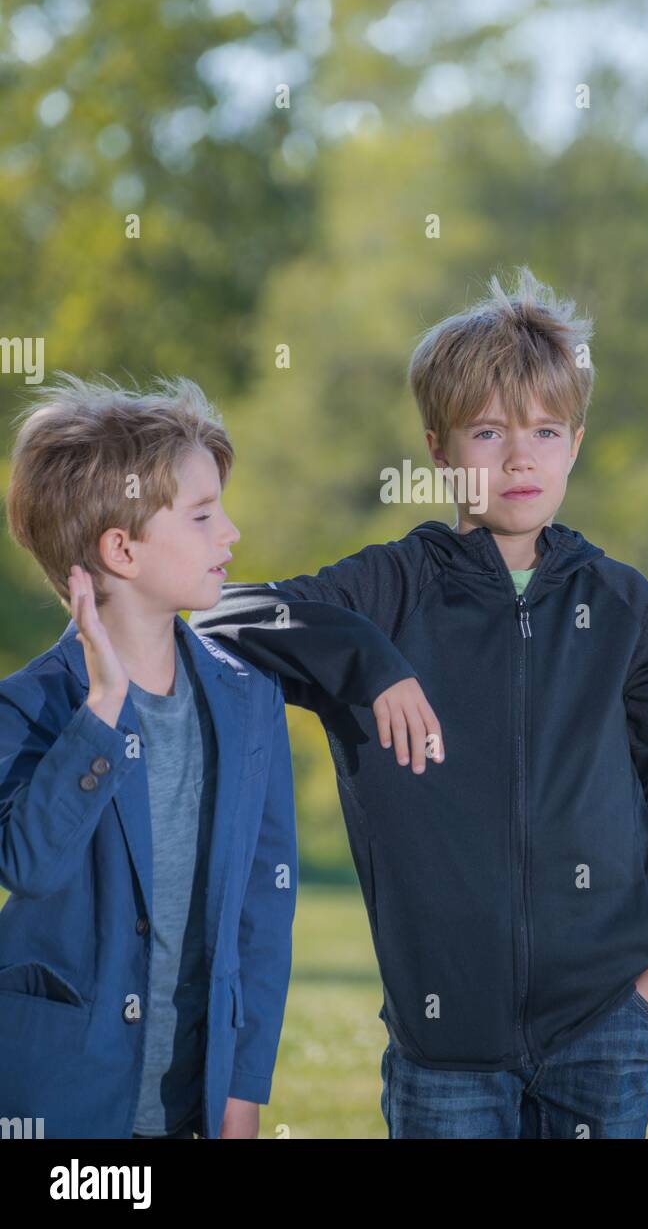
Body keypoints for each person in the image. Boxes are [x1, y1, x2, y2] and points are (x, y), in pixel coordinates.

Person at [191, 266, 648, 1138]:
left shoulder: (622, 604)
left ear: (575, 443)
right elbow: (218, 611)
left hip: (609, 1024)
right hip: (444, 1048)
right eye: (486, 431)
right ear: (437, 447)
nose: (519, 458)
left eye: (545, 431)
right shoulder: (387, 588)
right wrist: (367, 658)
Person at [0, 374, 440, 1139]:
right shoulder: (30, 707)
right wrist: (101, 713)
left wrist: (243, 1087)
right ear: (121, 549)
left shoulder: (249, 701)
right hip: (59, 1105)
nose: (230, 534)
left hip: (197, 1104)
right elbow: (28, 865)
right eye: (203, 517)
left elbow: (263, 911)